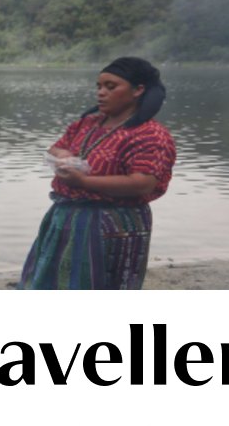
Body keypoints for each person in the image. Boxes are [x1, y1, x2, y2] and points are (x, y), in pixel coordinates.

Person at [18, 57, 176, 290]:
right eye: (99, 87)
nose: (101, 93)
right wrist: (62, 156)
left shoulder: (150, 135)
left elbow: (142, 183)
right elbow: (57, 147)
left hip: (111, 223)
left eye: (111, 87)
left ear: (138, 90)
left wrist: (84, 180)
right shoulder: (88, 124)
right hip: (65, 216)